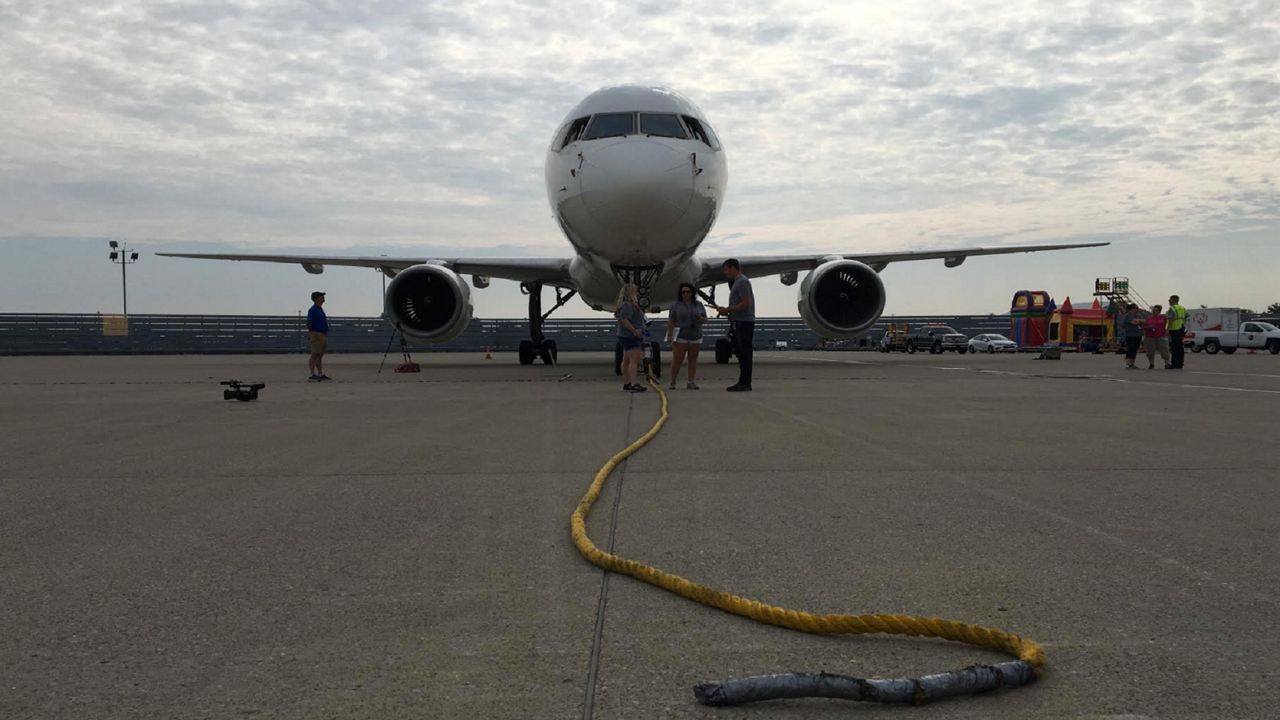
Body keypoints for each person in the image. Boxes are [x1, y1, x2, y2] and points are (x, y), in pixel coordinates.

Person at [715, 259, 754, 392]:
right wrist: (728, 311)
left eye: (726, 269)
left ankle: (745, 382)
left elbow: (745, 303)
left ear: (732, 268)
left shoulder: (742, 282)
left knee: (744, 353)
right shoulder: (739, 282)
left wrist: (728, 310)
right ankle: (743, 381)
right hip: (740, 321)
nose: (725, 273)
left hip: (743, 322)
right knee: (741, 352)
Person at [665, 283, 708, 389]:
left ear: (692, 292)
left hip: (695, 335)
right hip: (681, 335)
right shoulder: (675, 305)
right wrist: (670, 335)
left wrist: (701, 319)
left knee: (693, 359)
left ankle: (691, 381)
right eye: (683, 292)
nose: (685, 294)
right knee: (678, 359)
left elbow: (705, 318)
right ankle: (673, 381)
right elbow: (671, 321)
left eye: (688, 292)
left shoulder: (698, 305)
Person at [615, 283, 647, 393]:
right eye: (636, 291)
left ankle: (627, 382)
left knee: (626, 360)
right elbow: (624, 320)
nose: (638, 293)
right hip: (631, 336)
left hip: (625, 336)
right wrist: (635, 331)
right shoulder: (628, 305)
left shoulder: (625, 305)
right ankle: (634, 383)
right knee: (634, 361)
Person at [306, 291, 331, 381]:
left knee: (319, 354)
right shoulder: (313, 310)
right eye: (321, 296)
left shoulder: (319, 309)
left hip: (322, 334)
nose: (323, 298)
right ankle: (312, 374)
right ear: (317, 298)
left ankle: (319, 373)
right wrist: (312, 333)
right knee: (315, 354)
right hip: (316, 333)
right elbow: (309, 322)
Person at [1143, 304, 1172, 369]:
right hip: (1150, 337)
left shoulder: (1163, 318)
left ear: (1159, 311)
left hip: (1161, 336)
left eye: (1155, 310)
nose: (1154, 311)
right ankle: (1151, 363)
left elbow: (1169, 322)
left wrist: (1167, 330)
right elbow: (1143, 327)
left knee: (1165, 350)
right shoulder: (1148, 318)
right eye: (1153, 310)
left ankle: (1167, 363)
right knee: (1150, 351)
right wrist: (1148, 327)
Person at [1119, 302, 1145, 369]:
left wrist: (1138, 321)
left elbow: (1144, 321)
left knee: (1135, 349)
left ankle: (1132, 363)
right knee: (1131, 348)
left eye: (1137, 308)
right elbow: (1134, 322)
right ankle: (1129, 363)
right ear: (1132, 309)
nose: (1137, 309)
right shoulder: (1128, 315)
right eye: (1136, 308)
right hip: (1130, 335)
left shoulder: (1138, 315)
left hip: (1138, 335)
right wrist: (1139, 321)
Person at [1166, 294, 1187, 369]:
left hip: (1174, 329)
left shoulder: (1172, 308)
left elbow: (1171, 319)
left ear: (1173, 300)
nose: (1168, 301)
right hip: (1181, 328)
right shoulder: (1182, 308)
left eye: (1170, 299)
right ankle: (1180, 364)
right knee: (1180, 347)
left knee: (1174, 348)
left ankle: (1174, 364)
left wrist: (1167, 329)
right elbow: (1187, 316)